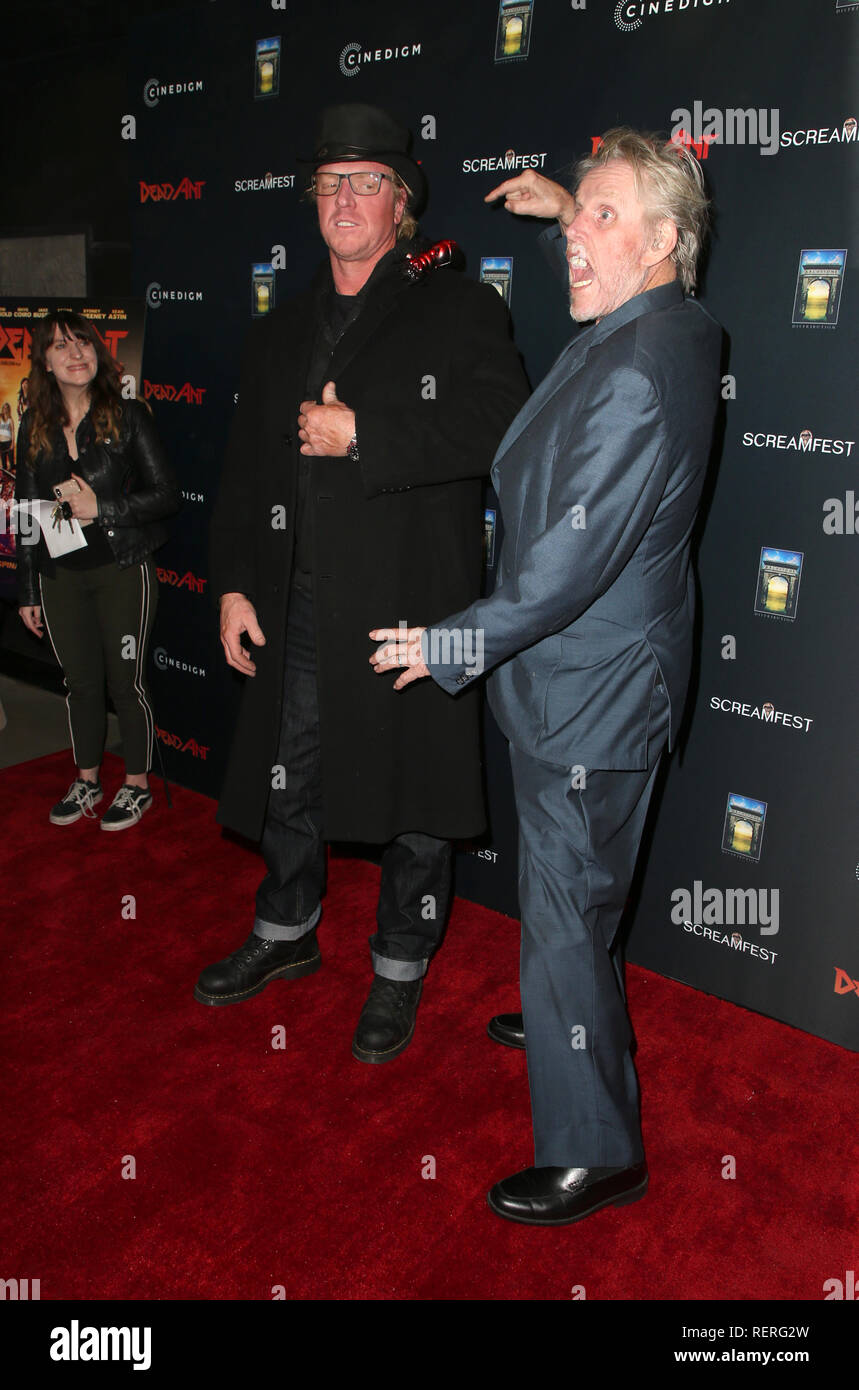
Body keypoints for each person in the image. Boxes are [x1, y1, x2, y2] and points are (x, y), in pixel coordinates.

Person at [371, 129, 723, 1219]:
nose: (574, 235)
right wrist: (579, 201)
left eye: (598, 219)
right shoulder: (668, 319)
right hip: (603, 671)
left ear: (662, 241)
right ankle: (577, 1002)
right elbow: (643, 225)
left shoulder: (634, 374)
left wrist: (447, 646)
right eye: (576, 216)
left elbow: (564, 571)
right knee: (581, 885)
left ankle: (598, 1148)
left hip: (586, 682)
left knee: (568, 899)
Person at [197, 104, 529, 1063]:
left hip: (410, 605)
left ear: (402, 205)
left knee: (416, 795)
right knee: (287, 771)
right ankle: (286, 929)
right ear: (313, 201)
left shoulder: (461, 306)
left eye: (368, 181)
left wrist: (366, 436)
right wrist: (232, 585)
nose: (346, 198)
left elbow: (500, 431)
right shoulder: (281, 328)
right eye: (331, 181)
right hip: (298, 597)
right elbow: (246, 469)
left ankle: (397, 967)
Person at [15, 312, 180, 830]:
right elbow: (25, 511)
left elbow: (167, 495)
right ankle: (87, 779)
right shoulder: (34, 426)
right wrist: (27, 589)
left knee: (125, 683)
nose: (75, 353)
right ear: (44, 361)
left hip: (121, 567)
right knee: (81, 683)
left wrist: (102, 510)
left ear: (98, 351)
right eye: (61, 346)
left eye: (82, 342)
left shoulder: (127, 415)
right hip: (59, 575)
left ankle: (136, 787)